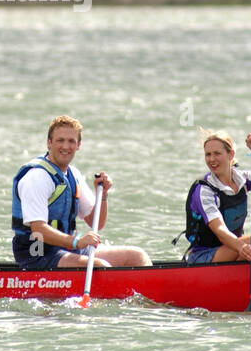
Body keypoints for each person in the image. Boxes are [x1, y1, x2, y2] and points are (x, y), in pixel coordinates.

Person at [11, 115, 151, 270]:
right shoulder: (37, 177)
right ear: (49, 143)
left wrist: (103, 195)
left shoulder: (73, 175)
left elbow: (95, 222)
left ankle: (150, 293)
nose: (66, 146)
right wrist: (77, 241)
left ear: (78, 145)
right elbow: (39, 229)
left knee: (137, 256)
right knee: (101, 267)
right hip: (36, 254)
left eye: (71, 141)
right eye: (60, 140)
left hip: (65, 248)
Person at [182, 130, 251, 264]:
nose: (211, 159)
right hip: (203, 256)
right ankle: (236, 280)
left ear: (231, 154)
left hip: (231, 248)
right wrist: (241, 247)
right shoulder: (204, 189)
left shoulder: (242, 179)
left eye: (217, 154)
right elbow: (220, 230)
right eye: (208, 154)